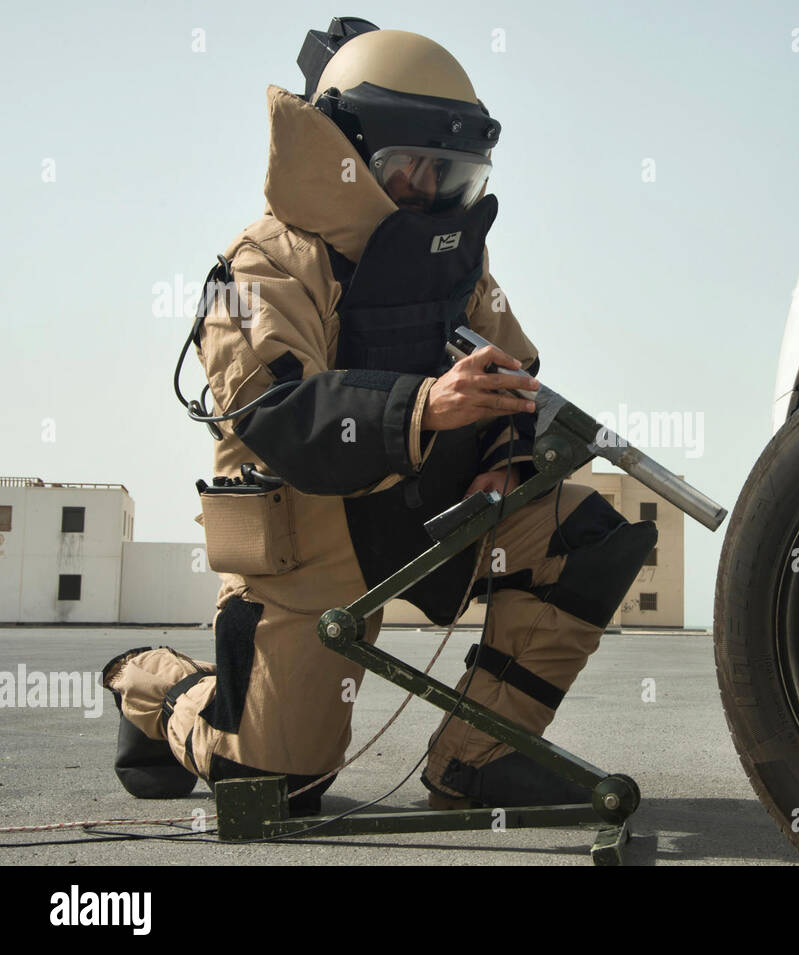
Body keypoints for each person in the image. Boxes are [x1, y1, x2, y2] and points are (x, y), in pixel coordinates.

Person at [102, 18, 657, 814]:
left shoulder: (460, 262)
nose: (429, 194)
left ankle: (478, 760)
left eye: (449, 173)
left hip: (434, 519)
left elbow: (513, 372)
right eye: (408, 171)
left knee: (586, 532)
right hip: (306, 550)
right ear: (347, 155)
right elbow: (281, 414)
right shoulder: (259, 264)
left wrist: (506, 459)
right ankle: (151, 690)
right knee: (278, 788)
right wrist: (426, 406)